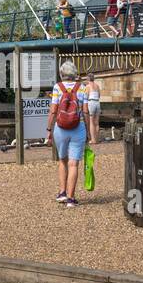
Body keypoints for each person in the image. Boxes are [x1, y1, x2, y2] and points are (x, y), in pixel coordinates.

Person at [45, 60, 93, 209]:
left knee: (62, 160)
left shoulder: (57, 87)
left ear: (62, 74)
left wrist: (48, 130)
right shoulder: (82, 87)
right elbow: (85, 111)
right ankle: (71, 199)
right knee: (74, 163)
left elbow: (53, 110)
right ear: (74, 73)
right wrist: (89, 132)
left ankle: (62, 193)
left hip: (60, 128)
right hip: (77, 128)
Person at [83, 70, 102, 144]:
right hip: (97, 103)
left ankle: (93, 140)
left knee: (91, 122)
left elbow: (86, 96)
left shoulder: (88, 86)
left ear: (88, 79)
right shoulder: (97, 86)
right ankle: (97, 139)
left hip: (91, 102)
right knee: (97, 122)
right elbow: (99, 95)